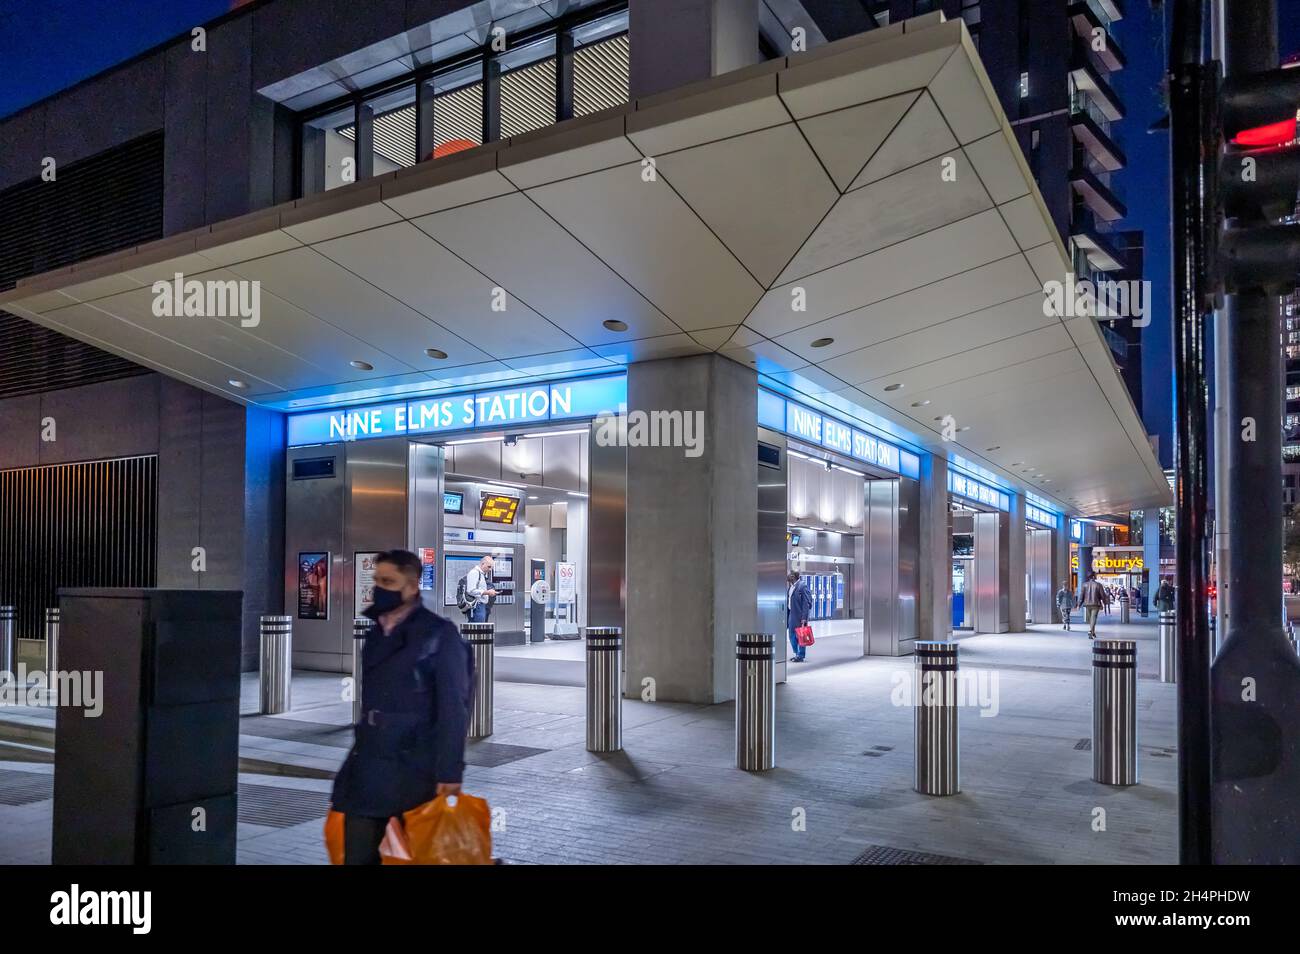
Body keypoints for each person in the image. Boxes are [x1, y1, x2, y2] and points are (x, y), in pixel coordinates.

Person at [331, 549, 473, 865]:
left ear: (411, 587)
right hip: (369, 763)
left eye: (388, 581)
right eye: (377, 580)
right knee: (356, 853)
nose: (378, 587)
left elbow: (455, 706)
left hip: (416, 766)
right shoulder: (375, 631)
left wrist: (450, 768)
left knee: (422, 855)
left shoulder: (439, 634)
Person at [786, 570, 813, 663]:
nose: (787, 576)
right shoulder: (791, 587)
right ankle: (797, 653)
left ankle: (800, 655)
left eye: (789, 575)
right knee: (791, 635)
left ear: (793, 576)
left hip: (799, 615)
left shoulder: (802, 586)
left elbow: (806, 603)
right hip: (791, 613)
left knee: (801, 635)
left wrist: (804, 617)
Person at [465, 554, 497, 623]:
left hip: (480, 606)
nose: (490, 569)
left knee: (479, 630)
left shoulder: (481, 574)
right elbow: (470, 590)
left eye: (491, 567)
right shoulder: (474, 573)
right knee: (477, 630)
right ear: (483, 564)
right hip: (477, 607)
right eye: (489, 567)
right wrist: (487, 592)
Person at [1079, 571, 1107, 639]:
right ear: (1094, 576)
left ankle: (1093, 633)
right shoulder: (1098, 585)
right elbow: (1102, 595)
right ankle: (1091, 631)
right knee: (1093, 618)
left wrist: (1079, 604)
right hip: (1095, 604)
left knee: (1090, 619)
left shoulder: (1084, 584)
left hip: (1087, 604)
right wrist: (1104, 602)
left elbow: (1081, 596)